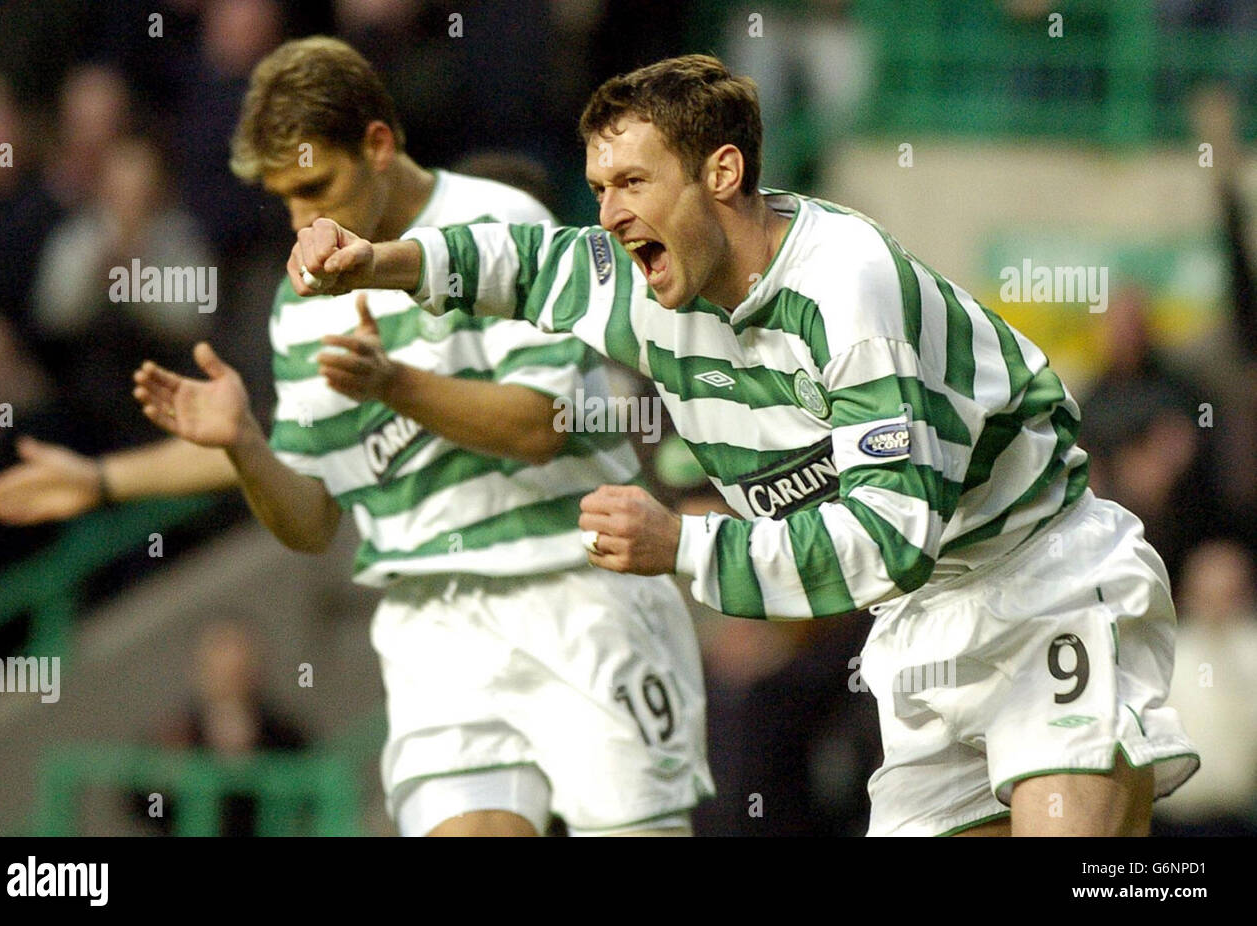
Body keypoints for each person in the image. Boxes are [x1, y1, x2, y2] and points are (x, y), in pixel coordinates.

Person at [286, 53, 1200, 837]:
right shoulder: (644, 287)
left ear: (722, 173)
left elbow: (892, 537)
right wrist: (379, 261)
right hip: (919, 631)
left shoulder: (844, 288)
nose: (607, 214)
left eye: (633, 183)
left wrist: (683, 545)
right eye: (600, 188)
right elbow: (526, 264)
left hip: (1037, 576)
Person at [0, 37, 712, 837]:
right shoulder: (302, 307)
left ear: (377, 144)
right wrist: (241, 449)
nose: (302, 220)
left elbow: (540, 425)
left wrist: (394, 384)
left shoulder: (497, 219)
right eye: (284, 198)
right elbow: (312, 518)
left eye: (316, 187)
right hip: (435, 620)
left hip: (578, 593)